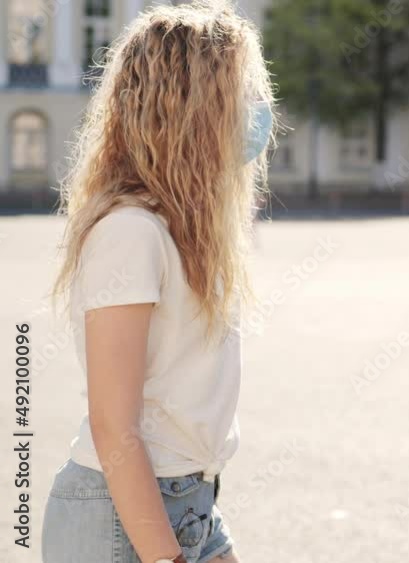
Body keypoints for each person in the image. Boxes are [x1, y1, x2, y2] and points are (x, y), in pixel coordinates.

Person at [41, 2, 274, 562]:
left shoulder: (181, 230)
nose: (257, 110)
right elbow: (113, 427)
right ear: (191, 108)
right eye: (237, 92)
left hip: (192, 502)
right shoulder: (130, 233)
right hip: (120, 518)